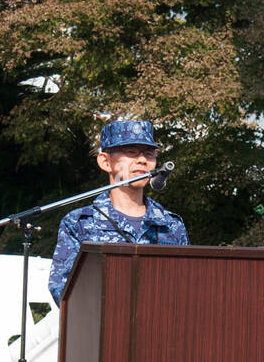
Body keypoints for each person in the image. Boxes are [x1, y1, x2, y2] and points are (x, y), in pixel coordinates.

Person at [48, 119, 187, 306]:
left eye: (149, 153)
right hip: (101, 329)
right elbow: (63, 290)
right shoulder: (79, 223)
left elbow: (186, 288)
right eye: (131, 152)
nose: (142, 160)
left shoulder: (171, 225)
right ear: (105, 161)